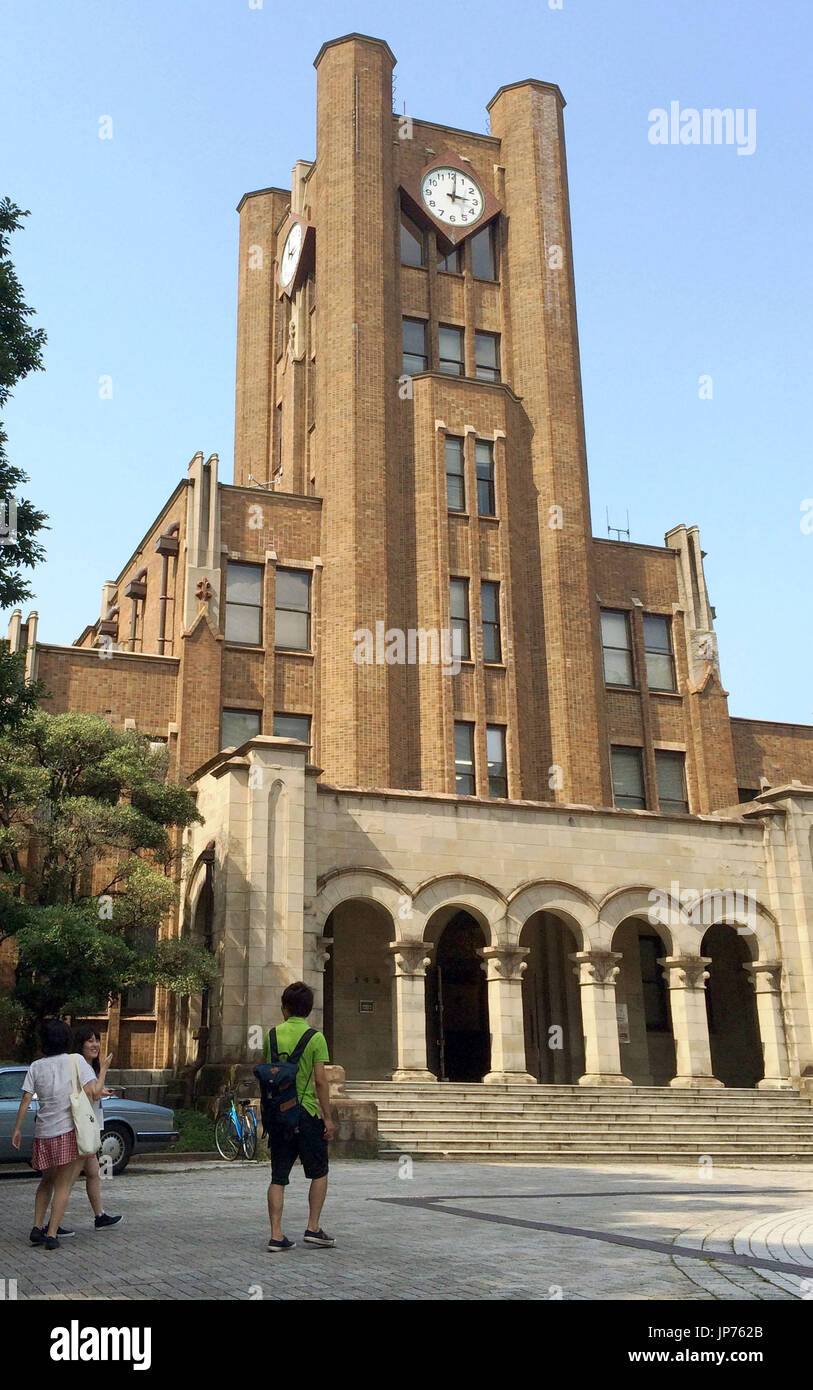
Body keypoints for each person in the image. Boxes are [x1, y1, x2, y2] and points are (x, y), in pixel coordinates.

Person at [11, 1019, 96, 1250]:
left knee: (46, 1181)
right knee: (63, 1185)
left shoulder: (36, 1066)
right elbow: (94, 1092)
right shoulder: (75, 1060)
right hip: (67, 1132)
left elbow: (26, 1098)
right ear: (66, 1039)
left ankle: (36, 1228)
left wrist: (17, 1129)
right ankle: (52, 1233)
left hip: (43, 1133)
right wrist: (104, 1068)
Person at [263, 981, 335, 1253]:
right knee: (319, 1171)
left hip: (278, 1115)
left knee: (278, 1176)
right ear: (308, 1010)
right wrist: (327, 1118)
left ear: (284, 1007)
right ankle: (313, 1227)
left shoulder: (271, 1037)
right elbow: (320, 1082)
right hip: (306, 1113)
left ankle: (276, 1234)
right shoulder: (315, 1038)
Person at [72, 1026, 123, 1230]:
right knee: (66, 1180)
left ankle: (99, 1215)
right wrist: (104, 1069)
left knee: (93, 1173)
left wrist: (102, 1091)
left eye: (97, 1040)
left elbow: (91, 1093)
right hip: (82, 1130)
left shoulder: (87, 1067)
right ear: (81, 1044)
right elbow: (91, 1094)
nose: (95, 1045)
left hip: (89, 1128)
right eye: (90, 1040)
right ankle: (52, 1224)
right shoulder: (83, 1066)